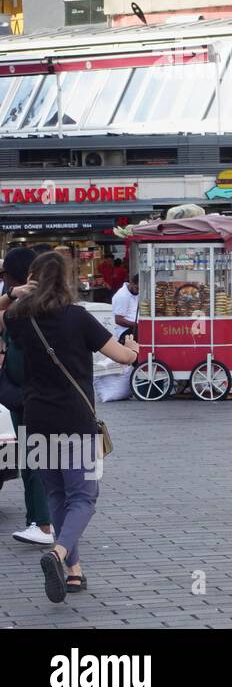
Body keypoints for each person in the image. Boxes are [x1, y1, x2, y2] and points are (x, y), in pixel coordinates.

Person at [2, 252, 140, 603]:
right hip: (75, 420)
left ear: (33, 279)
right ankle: (60, 553)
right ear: (66, 279)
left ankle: (74, 573)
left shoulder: (20, 317)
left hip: (35, 421)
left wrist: (14, 293)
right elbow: (123, 358)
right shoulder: (77, 317)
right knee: (83, 497)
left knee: (56, 496)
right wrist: (133, 348)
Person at [0, 247, 55, 548]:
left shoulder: (21, 311)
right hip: (49, 393)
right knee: (40, 458)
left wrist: (10, 294)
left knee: (36, 460)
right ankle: (47, 520)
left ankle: (43, 523)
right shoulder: (56, 304)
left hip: (29, 394)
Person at [111, 274, 139, 343]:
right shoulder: (122, 296)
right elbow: (118, 320)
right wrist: (137, 325)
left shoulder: (136, 293)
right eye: (137, 288)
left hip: (136, 327)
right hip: (126, 330)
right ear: (132, 283)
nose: (138, 291)